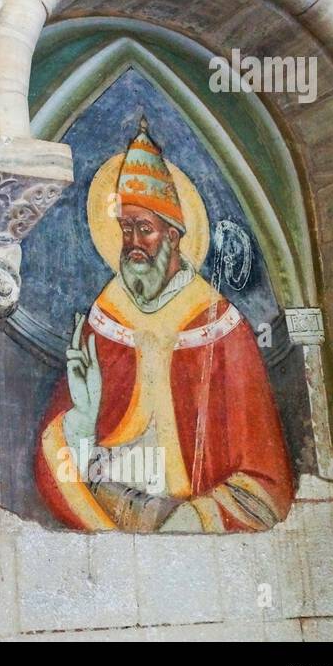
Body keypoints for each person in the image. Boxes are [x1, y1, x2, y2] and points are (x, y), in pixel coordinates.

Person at [33, 118, 293, 532]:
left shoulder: (219, 325)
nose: (133, 243)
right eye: (125, 229)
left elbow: (263, 478)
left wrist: (189, 520)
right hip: (114, 506)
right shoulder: (102, 322)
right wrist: (81, 418)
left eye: (145, 229)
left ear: (174, 236)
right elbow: (59, 460)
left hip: (188, 519)